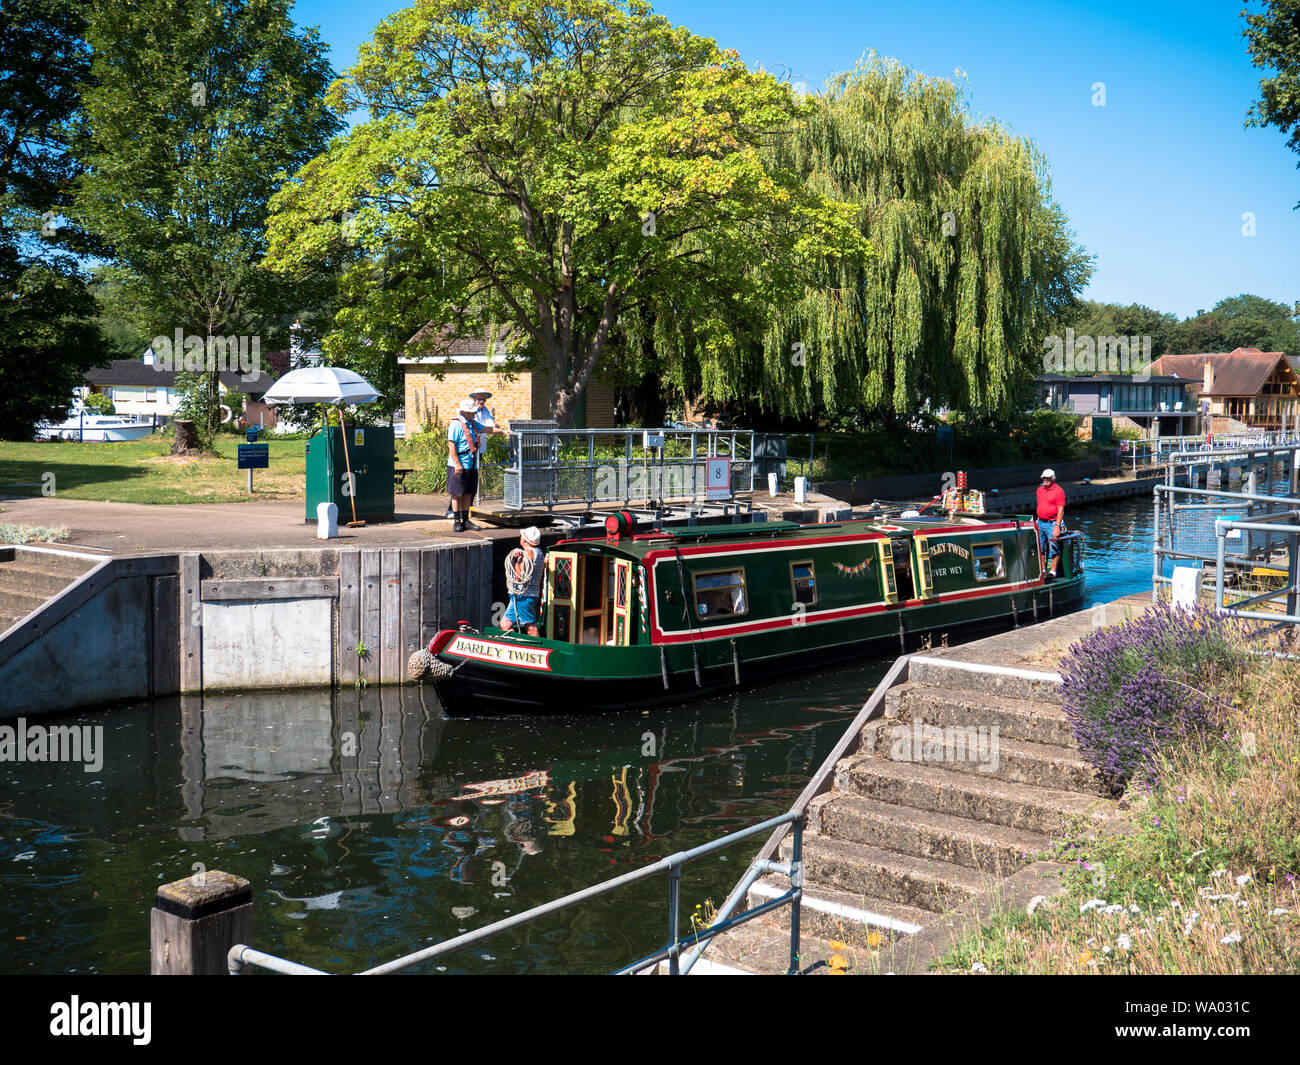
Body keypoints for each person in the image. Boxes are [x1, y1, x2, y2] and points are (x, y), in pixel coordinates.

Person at [501, 526, 544, 636]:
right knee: (505, 624)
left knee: (531, 627)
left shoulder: (528, 554)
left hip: (524, 596)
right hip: (520, 595)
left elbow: (519, 577)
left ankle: (537, 650)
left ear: (524, 539)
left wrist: (516, 561)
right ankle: (517, 646)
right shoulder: (538, 552)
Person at [447, 399, 481, 531]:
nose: (474, 414)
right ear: (465, 412)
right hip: (459, 465)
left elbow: (486, 428)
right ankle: (457, 521)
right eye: (472, 412)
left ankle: (466, 520)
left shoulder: (472, 423)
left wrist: (501, 431)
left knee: (468, 494)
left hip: (471, 465)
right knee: (457, 494)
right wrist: (457, 463)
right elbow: (451, 445)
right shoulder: (456, 424)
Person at [1036, 468, 1066, 579]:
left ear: (1053, 478)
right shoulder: (1039, 490)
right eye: (1044, 478)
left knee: (1054, 546)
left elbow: (1061, 510)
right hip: (1040, 522)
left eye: (1048, 478)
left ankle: (1053, 571)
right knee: (1040, 547)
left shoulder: (1059, 491)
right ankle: (1043, 569)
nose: (1046, 480)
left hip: (1052, 523)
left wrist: (1057, 526)